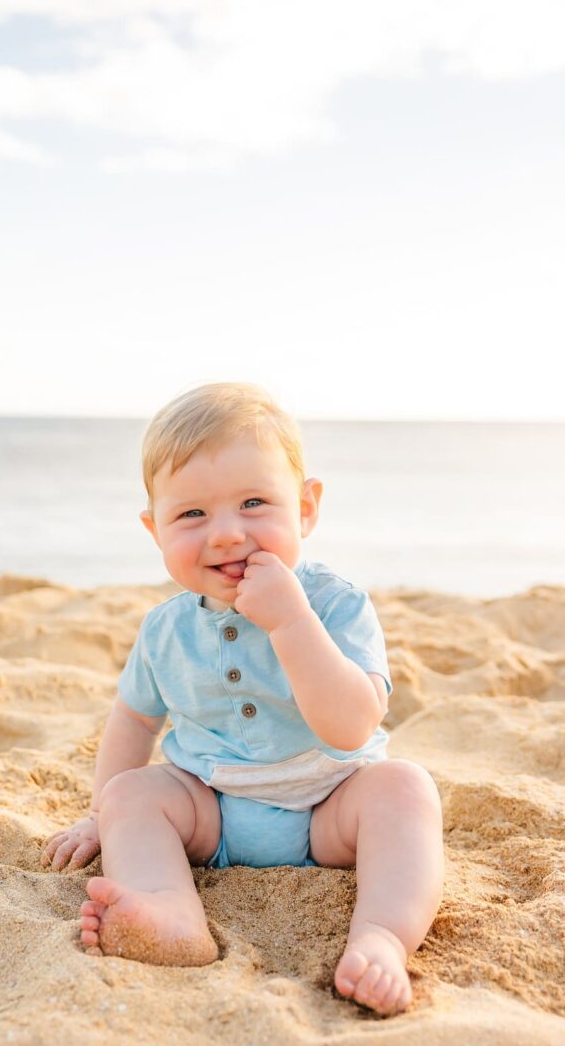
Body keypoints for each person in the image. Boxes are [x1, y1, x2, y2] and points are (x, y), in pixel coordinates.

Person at [41, 383, 443, 1016]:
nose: (227, 535)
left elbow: (349, 725)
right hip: (213, 810)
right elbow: (133, 720)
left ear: (306, 508)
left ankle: (383, 937)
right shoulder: (165, 628)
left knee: (406, 790)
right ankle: (173, 915)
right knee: (129, 795)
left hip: (330, 808)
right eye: (191, 515)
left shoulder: (336, 604)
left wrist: (290, 623)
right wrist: (104, 815)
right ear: (154, 529)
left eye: (254, 503)